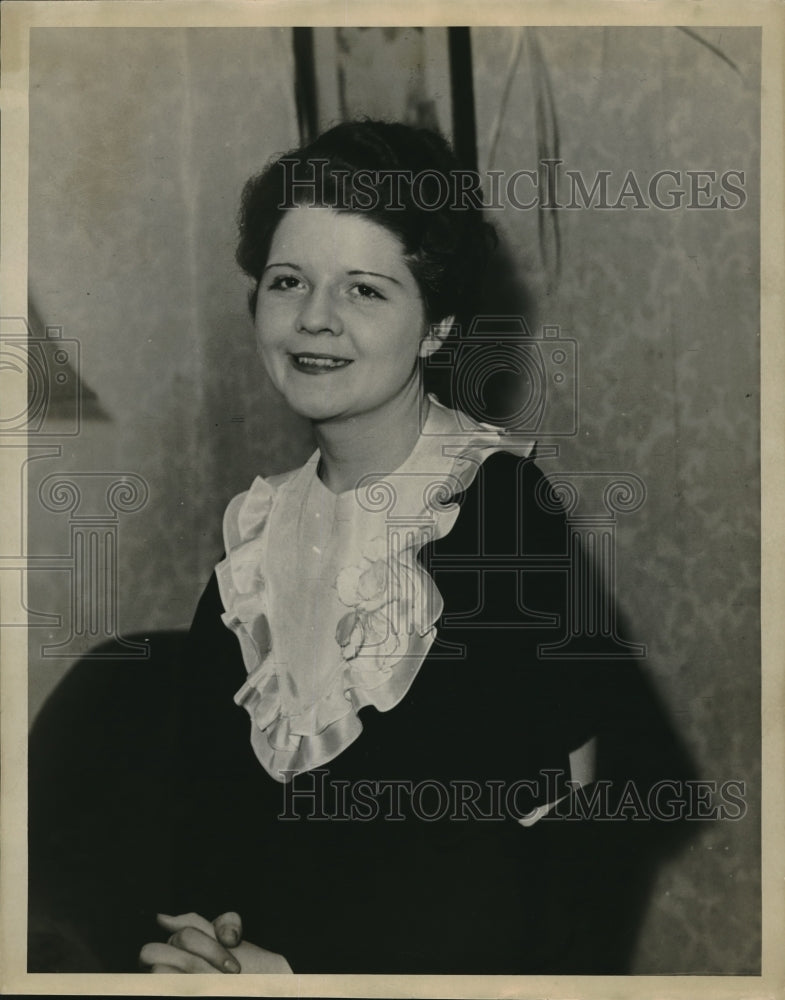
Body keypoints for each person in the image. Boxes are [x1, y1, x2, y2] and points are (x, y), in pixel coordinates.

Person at [137, 119, 696, 975]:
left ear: (436, 329)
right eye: (288, 281)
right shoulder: (251, 542)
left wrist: (302, 976)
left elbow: (547, 867)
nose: (314, 319)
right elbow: (205, 830)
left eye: (364, 290)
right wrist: (206, 945)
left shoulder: (499, 512)